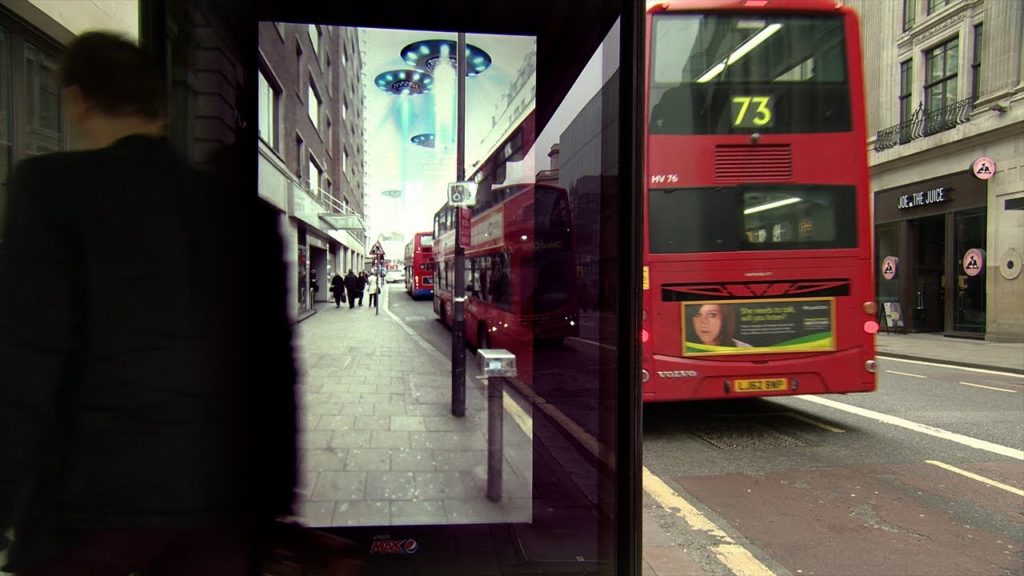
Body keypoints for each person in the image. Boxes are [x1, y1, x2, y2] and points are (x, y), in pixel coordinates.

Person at [0, 32, 298, 575]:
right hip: (221, 502)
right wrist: (273, 501)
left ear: (77, 101)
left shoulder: (50, 189)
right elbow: (276, 370)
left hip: (91, 505)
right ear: (160, 110)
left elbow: (25, 361)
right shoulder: (245, 214)